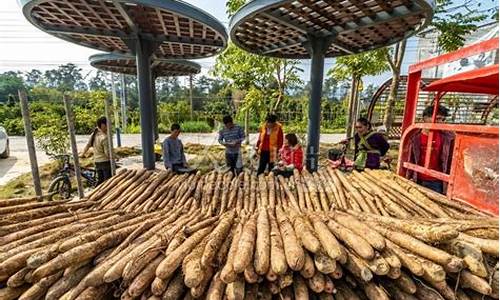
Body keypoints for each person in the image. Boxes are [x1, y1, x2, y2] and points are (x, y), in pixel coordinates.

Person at [406, 105, 454, 194]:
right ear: (425, 118)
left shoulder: (448, 137)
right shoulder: (414, 137)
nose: (440, 122)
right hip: (417, 178)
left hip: (437, 180)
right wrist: (409, 176)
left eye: (443, 120)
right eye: (438, 119)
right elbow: (409, 158)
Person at [81, 117, 112, 185]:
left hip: (97, 162)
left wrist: (82, 154)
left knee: (100, 181)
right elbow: (107, 154)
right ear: (103, 125)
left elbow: (88, 145)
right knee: (108, 182)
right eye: (108, 124)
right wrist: (115, 157)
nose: (109, 126)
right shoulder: (104, 137)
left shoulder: (94, 134)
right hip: (105, 162)